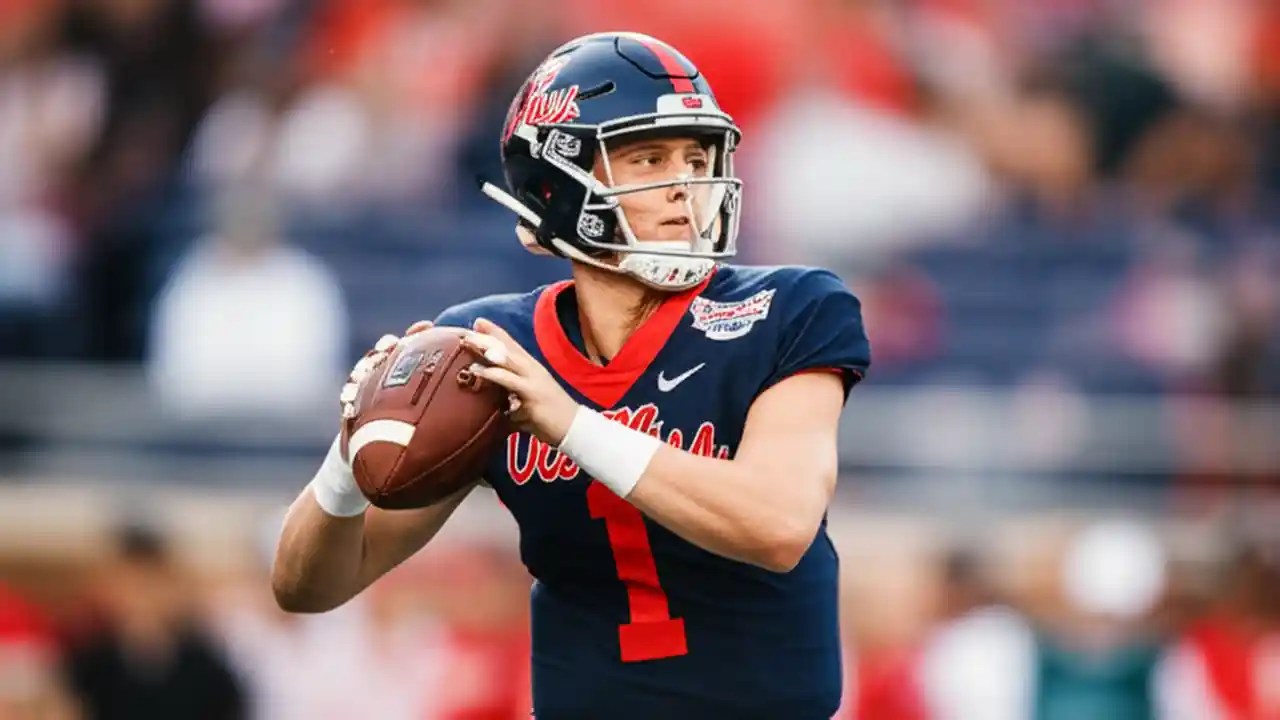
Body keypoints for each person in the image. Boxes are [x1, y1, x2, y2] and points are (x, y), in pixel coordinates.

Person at [272, 31, 871, 719]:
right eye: (648, 159)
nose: (684, 187)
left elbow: (777, 522)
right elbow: (307, 587)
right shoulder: (491, 347)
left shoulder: (788, 307)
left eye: (696, 156)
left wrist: (571, 423)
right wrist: (349, 460)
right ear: (554, 190)